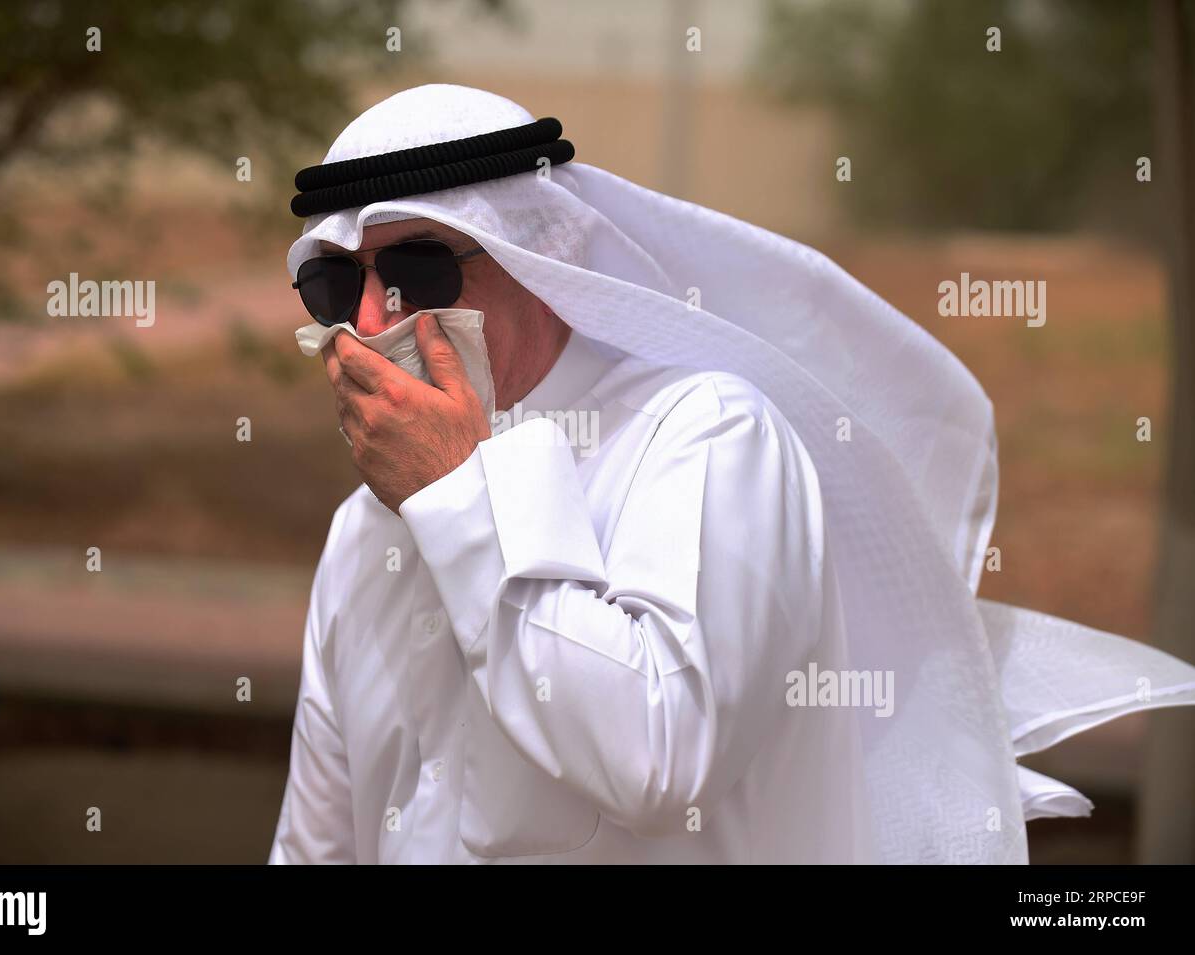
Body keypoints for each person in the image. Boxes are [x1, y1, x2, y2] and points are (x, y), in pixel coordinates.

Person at [269, 84, 1195, 864]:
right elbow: (316, 847)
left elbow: (654, 754)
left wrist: (455, 494)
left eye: (421, 269)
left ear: (538, 252)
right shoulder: (364, 531)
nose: (371, 315)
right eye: (333, 285)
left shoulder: (709, 439)